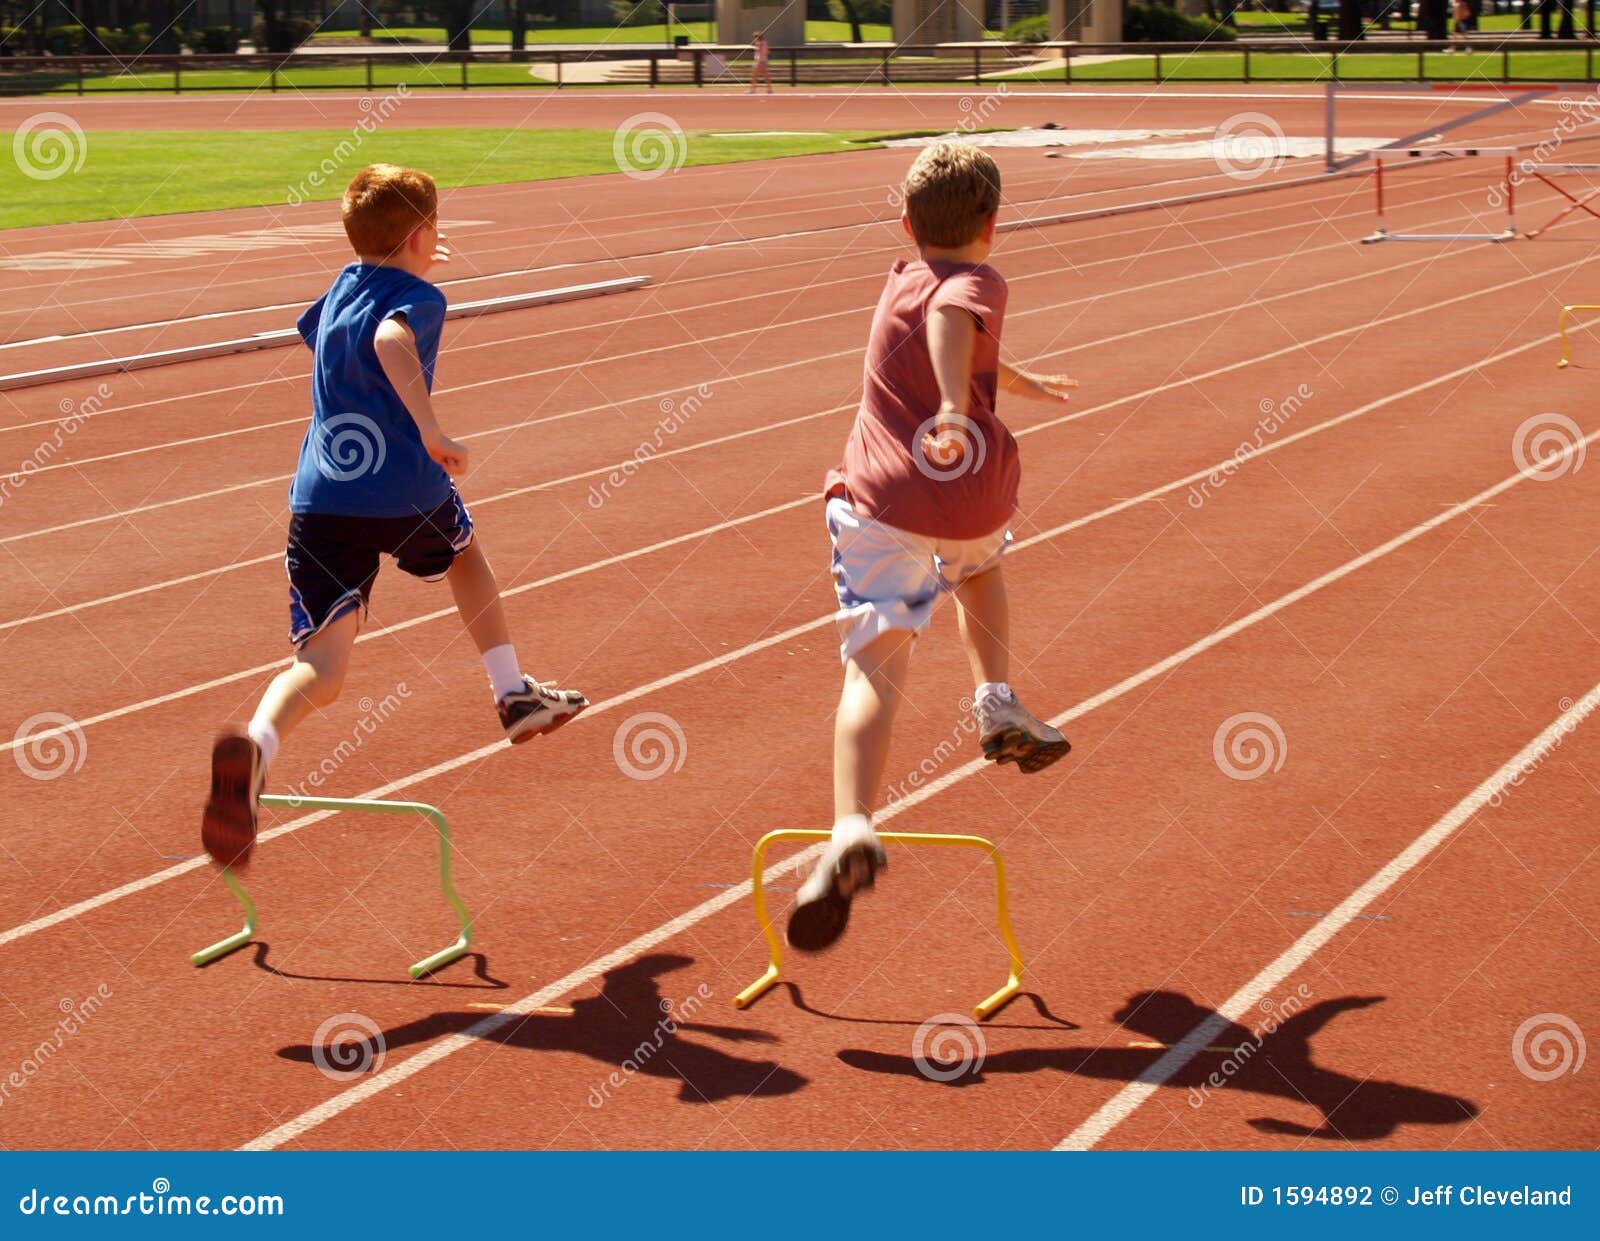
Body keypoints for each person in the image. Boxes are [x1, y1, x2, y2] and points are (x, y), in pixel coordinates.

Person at [200, 163, 587, 869]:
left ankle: (257, 744)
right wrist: (432, 430)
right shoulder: (419, 297)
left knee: (322, 666)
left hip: (320, 499)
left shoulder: (337, 290)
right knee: (465, 555)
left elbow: (325, 335)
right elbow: (388, 340)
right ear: (419, 236)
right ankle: (511, 692)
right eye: (434, 231)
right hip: (404, 490)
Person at [788, 142, 1076, 951]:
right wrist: (961, 403)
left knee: (875, 667)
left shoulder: (904, 281)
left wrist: (986, 389)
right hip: (973, 494)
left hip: (886, 502)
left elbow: (948, 324)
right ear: (994, 223)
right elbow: (959, 321)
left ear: (907, 222)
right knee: (983, 571)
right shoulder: (979, 280)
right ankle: (995, 698)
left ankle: (850, 828)